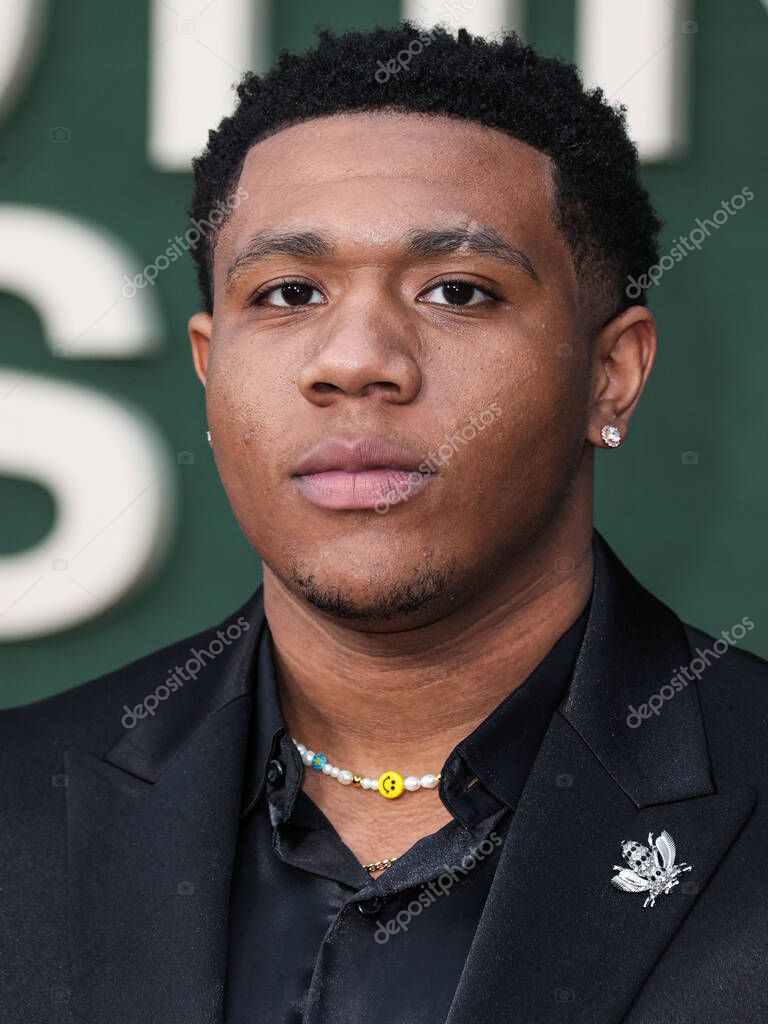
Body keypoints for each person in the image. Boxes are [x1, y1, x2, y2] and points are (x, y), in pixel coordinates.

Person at [2, 22, 766, 1024]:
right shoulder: (20, 806)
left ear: (609, 374)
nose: (355, 359)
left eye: (458, 291)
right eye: (288, 293)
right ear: (207, 365)